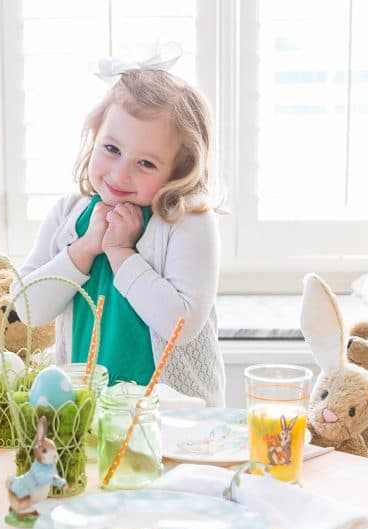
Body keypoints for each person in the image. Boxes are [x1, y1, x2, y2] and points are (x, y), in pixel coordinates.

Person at [12, 61, 225, 406]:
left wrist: (121, 252)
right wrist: (82, 251)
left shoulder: (188, 220)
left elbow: (180, 327)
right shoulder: (70, 213)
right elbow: (26, 306)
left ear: (180, 169)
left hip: (173, 421)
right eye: (111, 149)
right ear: (94, 136)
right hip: (85, 411)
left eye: (146, 163)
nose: (120, 174)